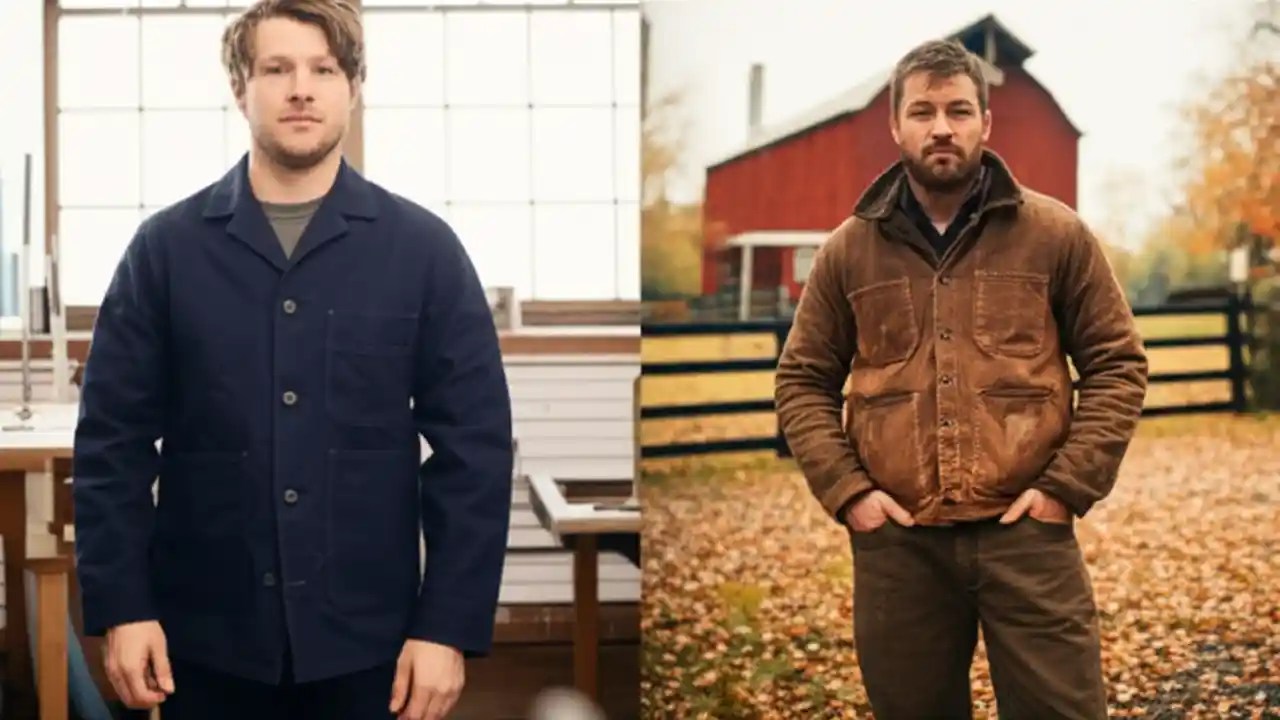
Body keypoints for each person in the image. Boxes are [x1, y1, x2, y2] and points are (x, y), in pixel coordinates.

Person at [71, 1, 514, 718]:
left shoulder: (424, 252)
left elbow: (477, 450)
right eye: (276, 69)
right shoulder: (165, 251)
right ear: (240, 88)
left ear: (353, 87)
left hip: (373, 644)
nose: (300, 89)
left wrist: (446, 626)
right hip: (204, 642)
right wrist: (123, 607)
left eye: (323, 69)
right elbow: (111, 445)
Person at [775, 38, 1148, 719]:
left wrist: (1064, 489)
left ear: (985, 121)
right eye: (922, 112)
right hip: (898, 549)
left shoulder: (1056, 235)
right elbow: (801, 380)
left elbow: (1118, 364)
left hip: (1029, 539)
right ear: (896, 125)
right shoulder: (847, 251)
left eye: (957, 110)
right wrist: (850, 493)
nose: (940, 127)